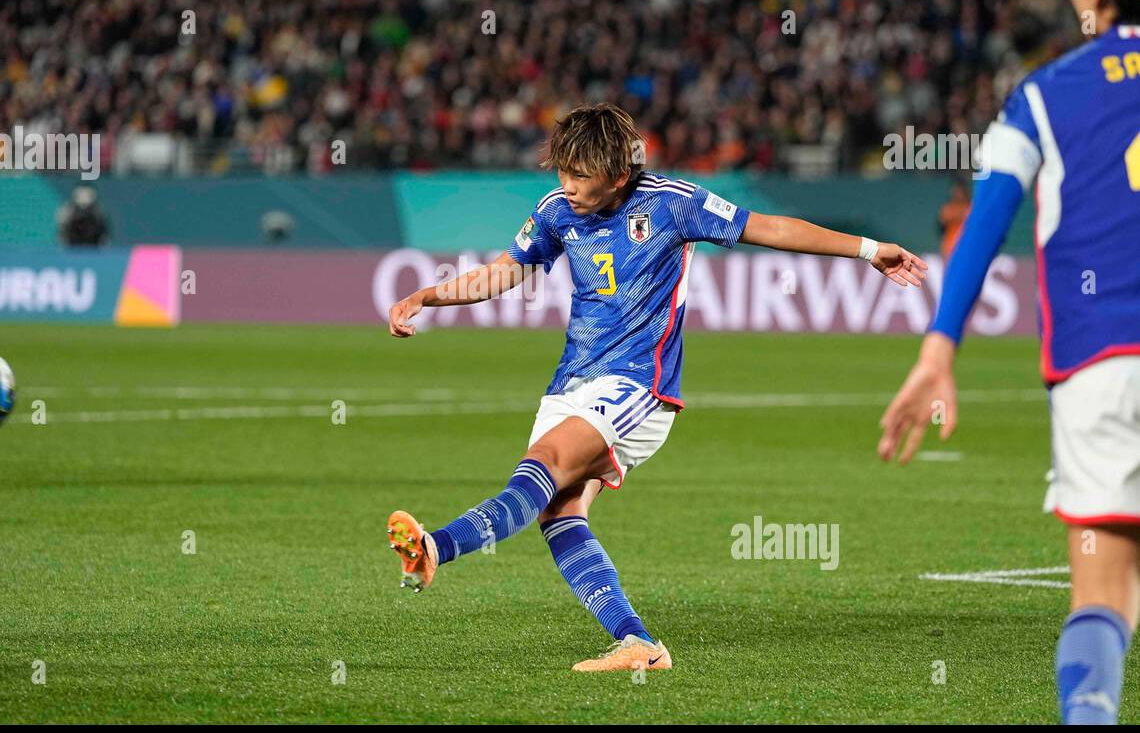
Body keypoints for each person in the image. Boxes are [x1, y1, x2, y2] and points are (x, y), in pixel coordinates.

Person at [385, 102, 927, 671]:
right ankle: (639, 645)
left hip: (638, 387)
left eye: (579, 176)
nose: (566, 186)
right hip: (572, 383)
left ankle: (435, 548)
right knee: (560, 513)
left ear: (618, 175)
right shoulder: (556, 212)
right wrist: (427, 295)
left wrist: (869, 249)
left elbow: (768, 228)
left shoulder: (672, 204)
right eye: (562, 172)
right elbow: (502, 273)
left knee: (541, 464)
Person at [879, 0, 1140, 724]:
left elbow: (985, 221)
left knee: (1103, 591)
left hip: (1103, 368)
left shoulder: (1043, 95)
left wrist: (939, 347)